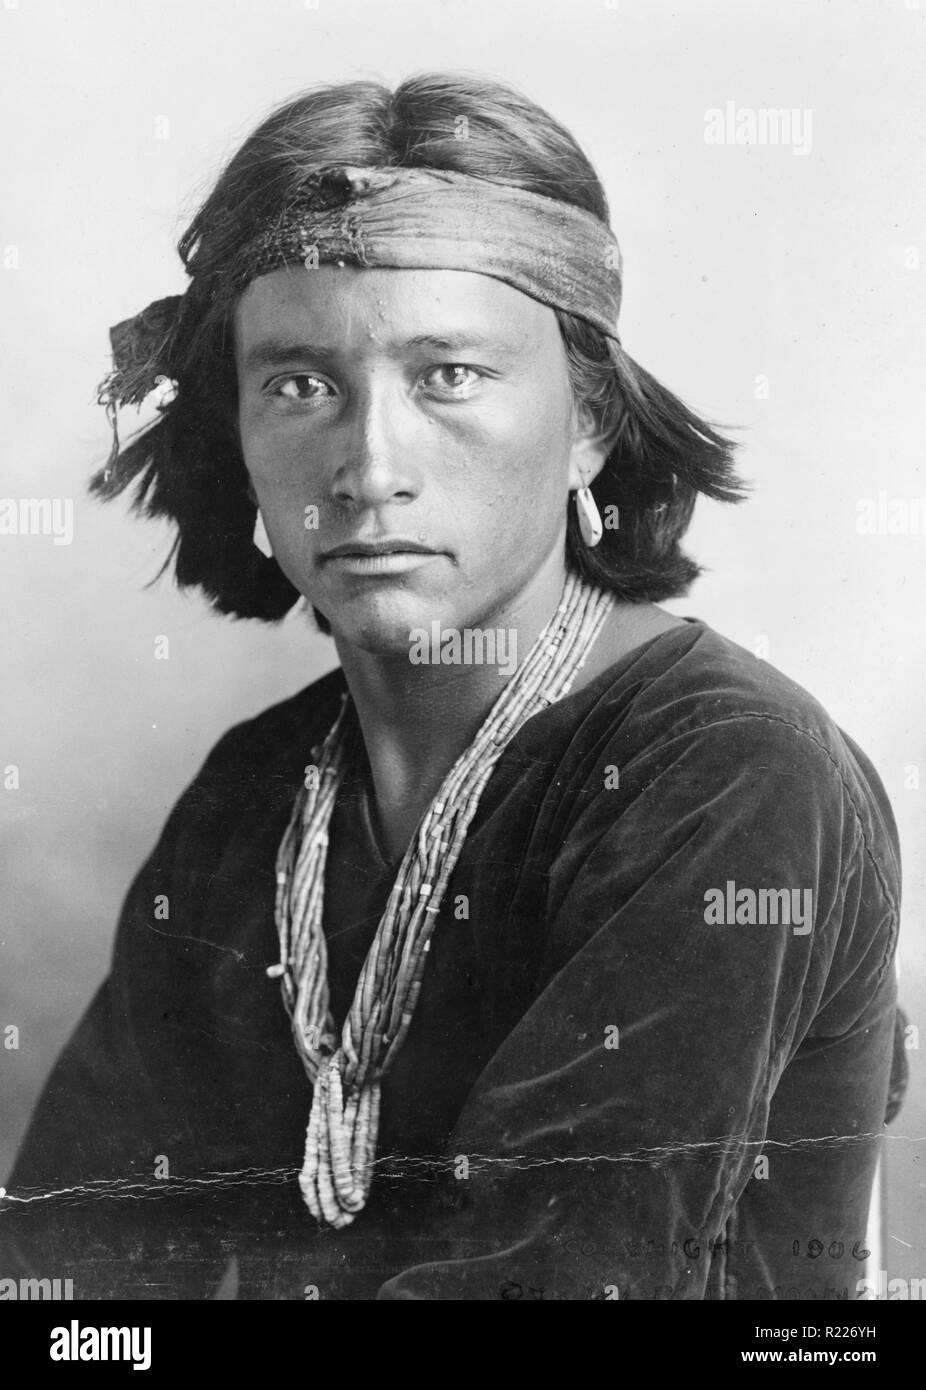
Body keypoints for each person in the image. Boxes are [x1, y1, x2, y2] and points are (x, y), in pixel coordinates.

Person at [0, 72, 903, 1301]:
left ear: (587, 419)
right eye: (300, 383)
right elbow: (59, 1282)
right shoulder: (250, 801)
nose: (370, 467)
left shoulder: (729, 776)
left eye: (448, 375)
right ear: (241, 433)